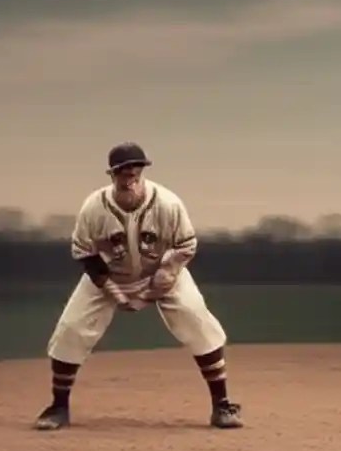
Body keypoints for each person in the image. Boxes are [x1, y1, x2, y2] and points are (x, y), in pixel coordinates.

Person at [33, 142, 243, 431]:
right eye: (123, 169)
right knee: (71, 328)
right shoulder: (94, 207)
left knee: (196, 319)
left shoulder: (167, 203)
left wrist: (156, 286)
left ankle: (222, 405)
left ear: (143, 170)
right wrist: (114, 291)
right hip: (110, 275)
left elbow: (186, 245)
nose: (130, 173)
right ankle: (58, 406)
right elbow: (84, 252)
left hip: (162, 271)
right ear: (112, 174)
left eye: (136, 167)